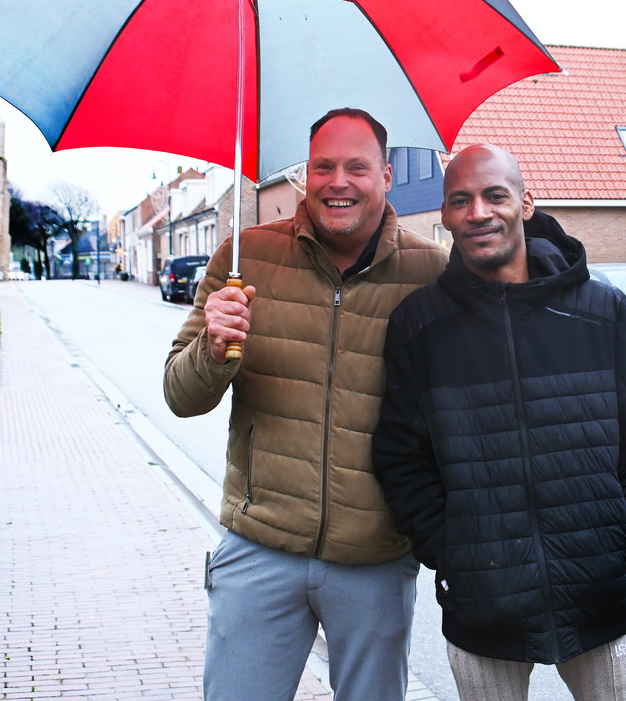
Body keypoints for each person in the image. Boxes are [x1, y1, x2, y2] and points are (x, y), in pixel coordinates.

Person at [373, 144, 626, 701]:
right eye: (460, 200)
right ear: (444, 214)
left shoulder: (600, 311)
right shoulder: (420, 326)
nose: (479, 213)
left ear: (526, 203)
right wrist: (449, 552)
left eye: (495, 195)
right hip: (482, 607)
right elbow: (401, 455)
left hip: (600, 598)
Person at [164, 108, 448, 701]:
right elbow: (179, 396)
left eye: (356, 167)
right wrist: (212, 351)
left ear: (388, 176)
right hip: (260, 548)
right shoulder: (242, 261)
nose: (337, 181)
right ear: (304, 176)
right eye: (323, 166)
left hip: (376, 559)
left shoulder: (432, 273)